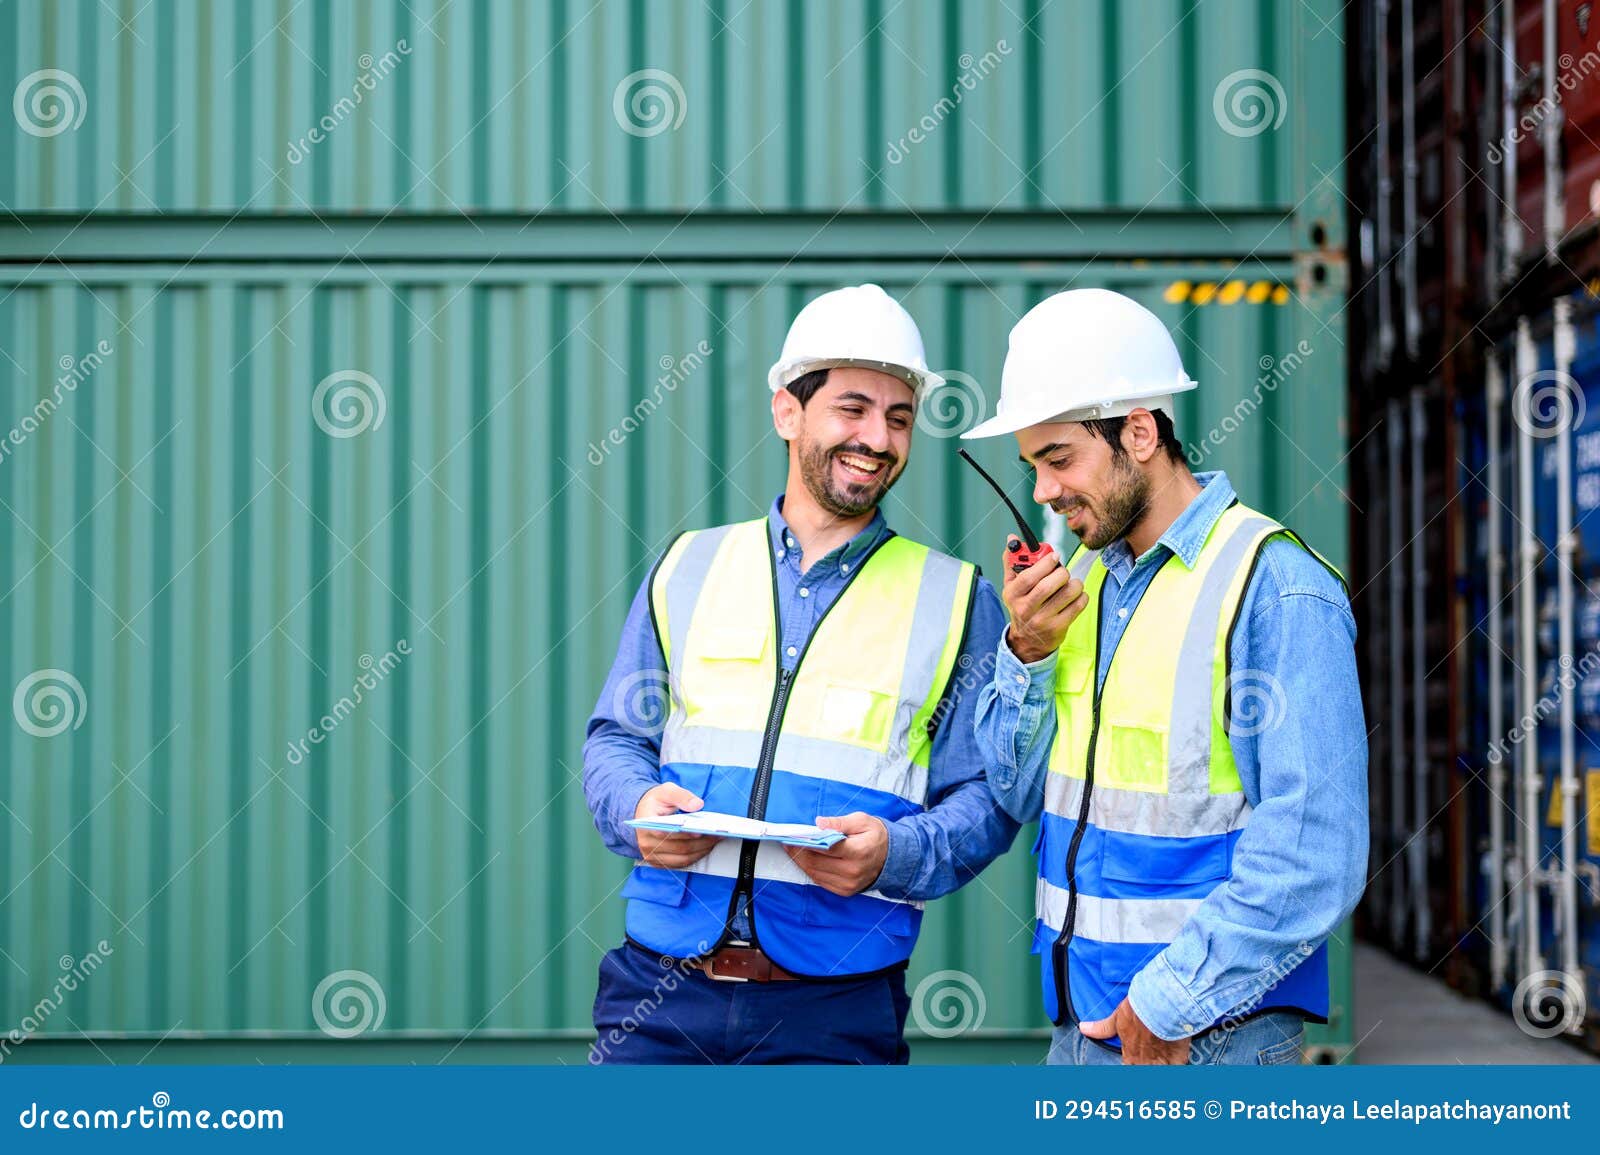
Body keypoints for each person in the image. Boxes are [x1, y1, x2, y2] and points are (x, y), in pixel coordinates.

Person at [583, 284, 1018, 1064]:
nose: (877, 438)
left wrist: (897, 852)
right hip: (658, 991)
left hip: (835, 1006)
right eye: (853, 408)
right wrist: (637, 806)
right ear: (788, 411)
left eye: (898, 417)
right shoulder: (689, 565)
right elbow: (617, 738)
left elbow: (990, 799)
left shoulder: (958, 598)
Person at [965, 288, 1368, 1065]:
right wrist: (1027, 655)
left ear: (1140, 432)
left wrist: (1170, 1000)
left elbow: (1319, 852)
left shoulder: (1275, 586)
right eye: (1033, 465)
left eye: (1058, 459)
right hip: (1085, 1028)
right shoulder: (1077, 588)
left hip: (1207, 1037)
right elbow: (1014, 794)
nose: (1043, 491)